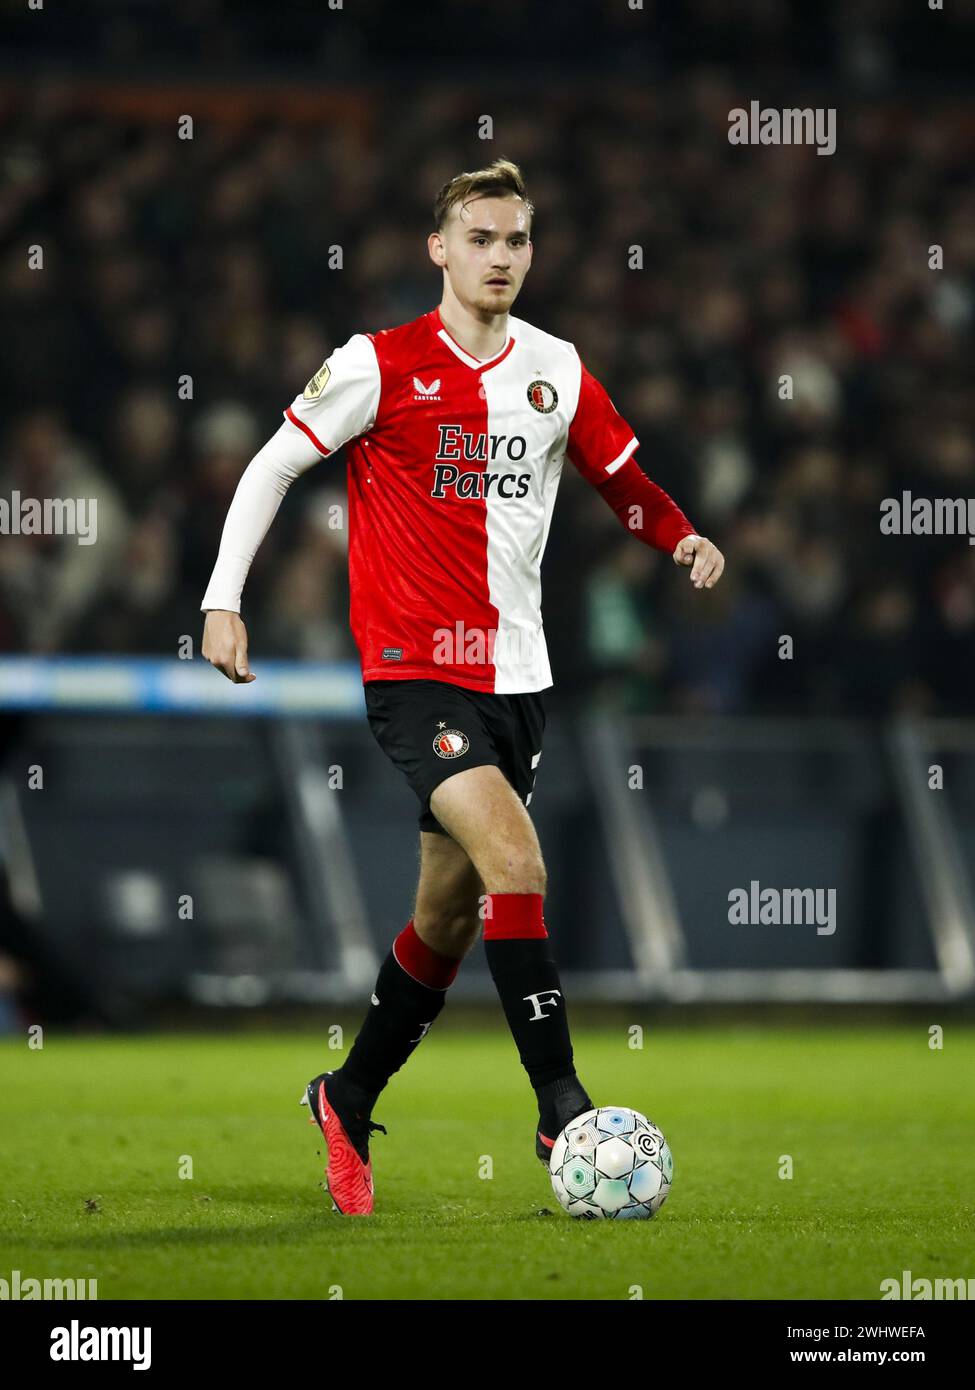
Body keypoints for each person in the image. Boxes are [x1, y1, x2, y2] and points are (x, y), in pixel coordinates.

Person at [200, 158, 724, 1214]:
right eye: (480, 238)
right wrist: (223, 597)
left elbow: (622, 479)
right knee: (515, 857)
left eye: (517, 240)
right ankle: (561, 1104)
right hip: (413, 676)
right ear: (439, 249)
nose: (500, 257)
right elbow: (268, 468)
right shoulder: (376, 364)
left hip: (518, 681)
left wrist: (682, 536)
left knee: (445, 914)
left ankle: (345, 1095)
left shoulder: (557, 368)